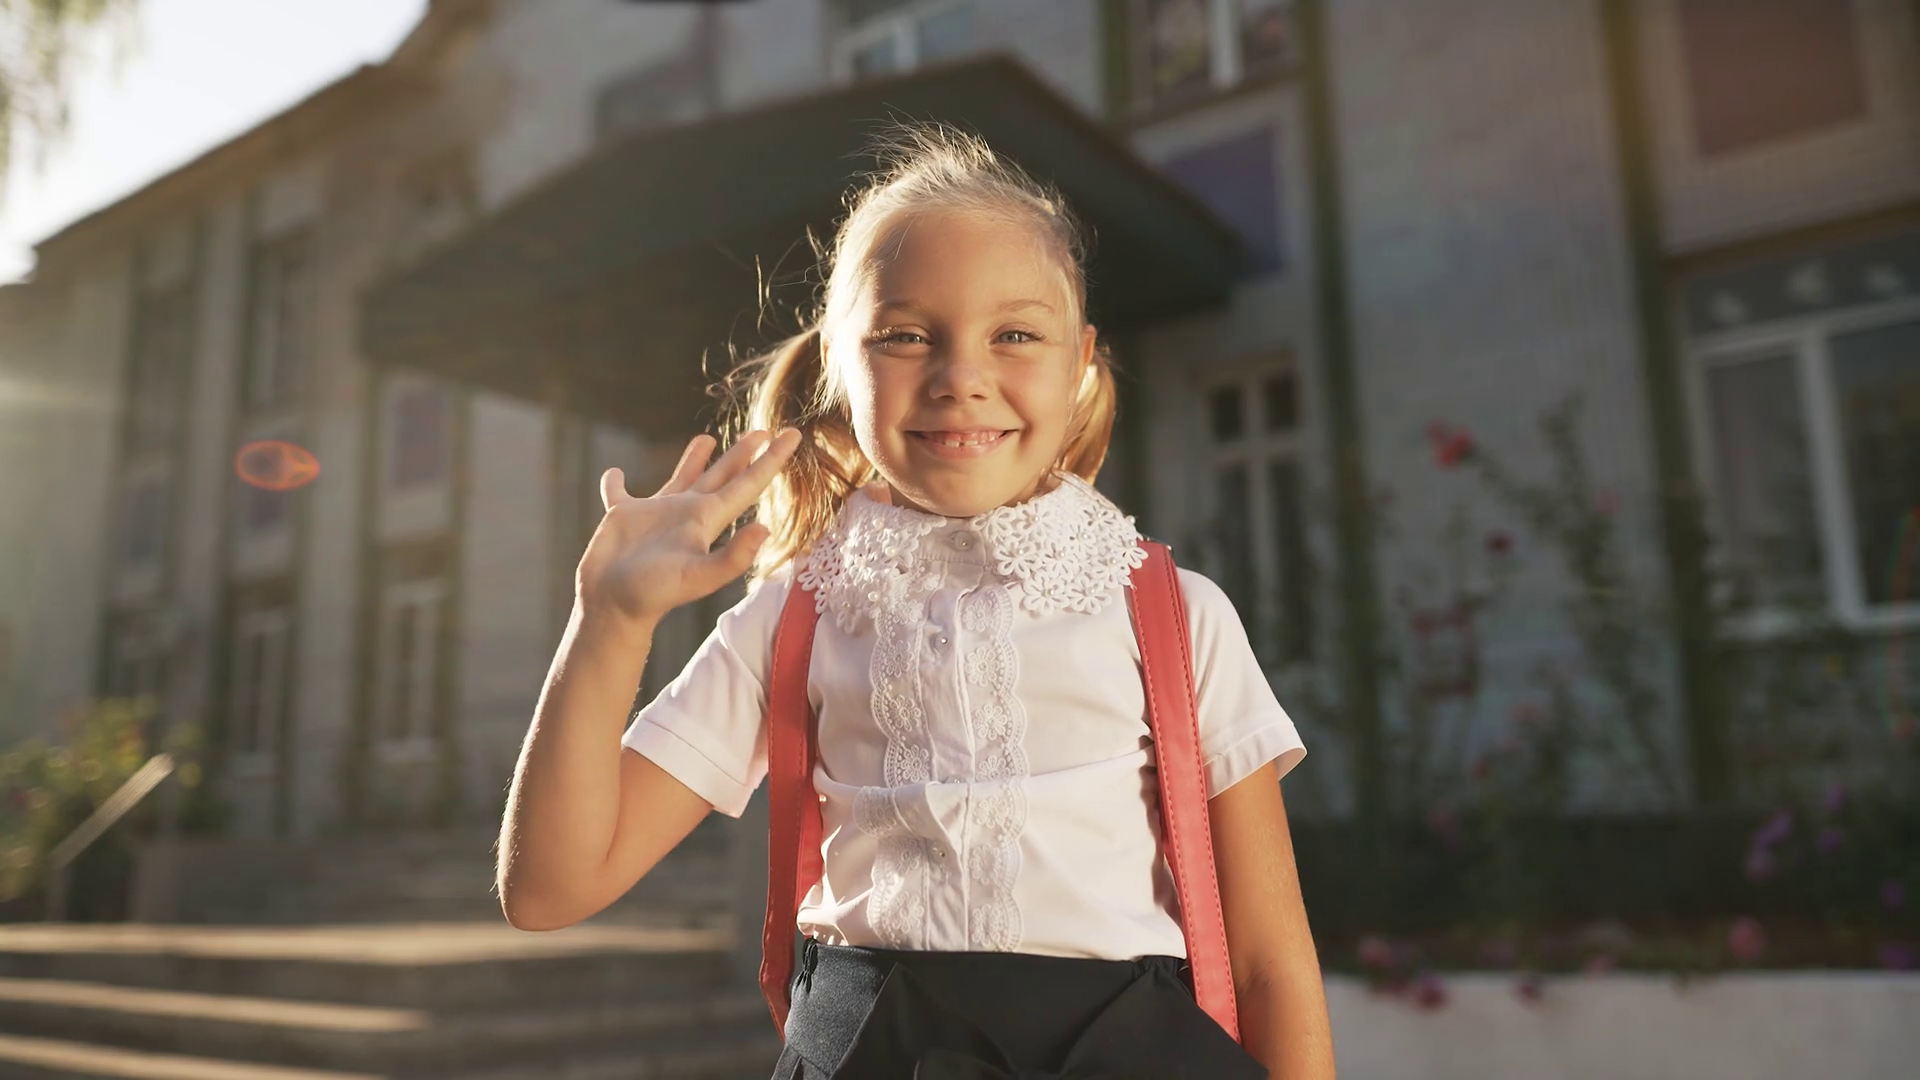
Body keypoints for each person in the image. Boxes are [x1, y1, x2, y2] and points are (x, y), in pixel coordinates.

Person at [497, 123, 1337, 1079]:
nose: (960, 377)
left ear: (1082, 361)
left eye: (1014, 334)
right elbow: (550, 889)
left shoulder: (1180, 616)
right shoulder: (792, 616)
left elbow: (1272, 965)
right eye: (904, 336)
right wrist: (609, 622)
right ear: (838, 366)